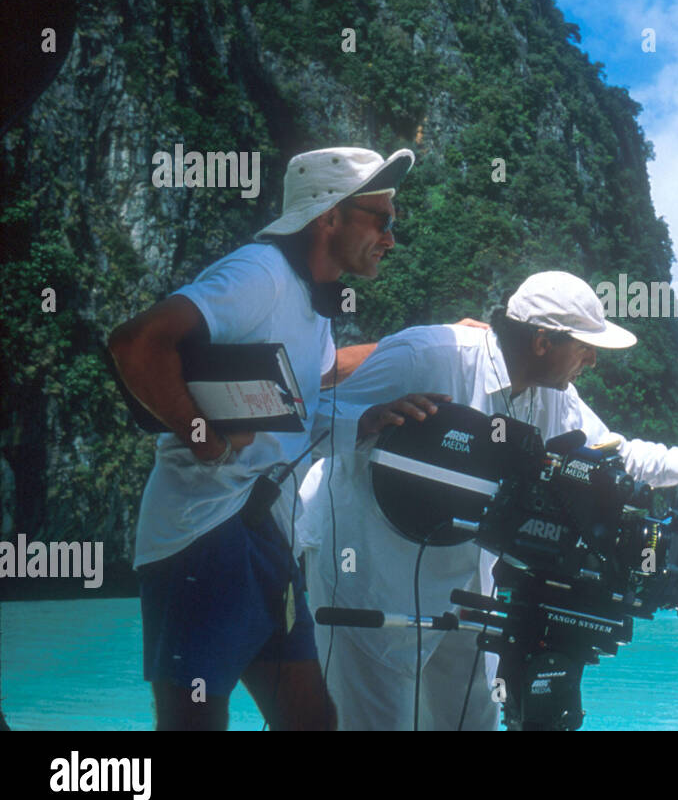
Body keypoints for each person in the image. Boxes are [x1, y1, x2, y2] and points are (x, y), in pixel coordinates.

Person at [295, 270, 678, 730]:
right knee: (374, 722)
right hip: (365, 570)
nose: (592, 361)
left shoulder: (554, 399)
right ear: (542, 342)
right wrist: (366, 420)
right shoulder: (427, 356)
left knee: (473, 719)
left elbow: (611, 458)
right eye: (585, 347)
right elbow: (304, 426)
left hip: (463, 582)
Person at [109, 146, 446, 730]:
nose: (392, 237)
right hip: (204, 531)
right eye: (382, 219)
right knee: (193, 722)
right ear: (329, 216)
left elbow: (306, 402)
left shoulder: (312, 305)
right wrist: (203, 437)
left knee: (312, 721)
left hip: (267, 536)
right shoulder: (258, 275)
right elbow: (135, 343)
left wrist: (368, 419)